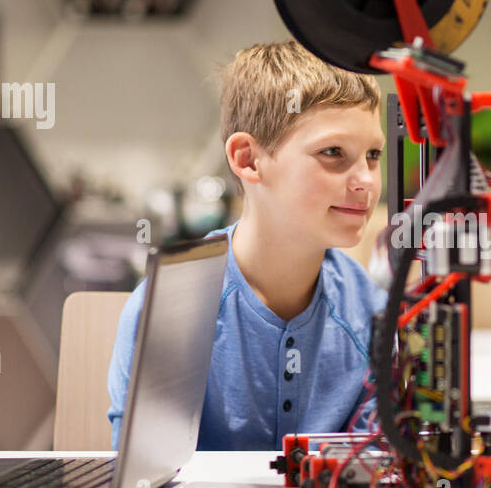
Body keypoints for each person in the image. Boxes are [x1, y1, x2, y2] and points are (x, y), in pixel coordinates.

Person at [107, 40, 388, 450]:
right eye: (333, 153)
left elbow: (374, 480)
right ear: (248, 159)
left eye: (374, 154)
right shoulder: (168, 311)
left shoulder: (375, 315)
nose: (366, 180)